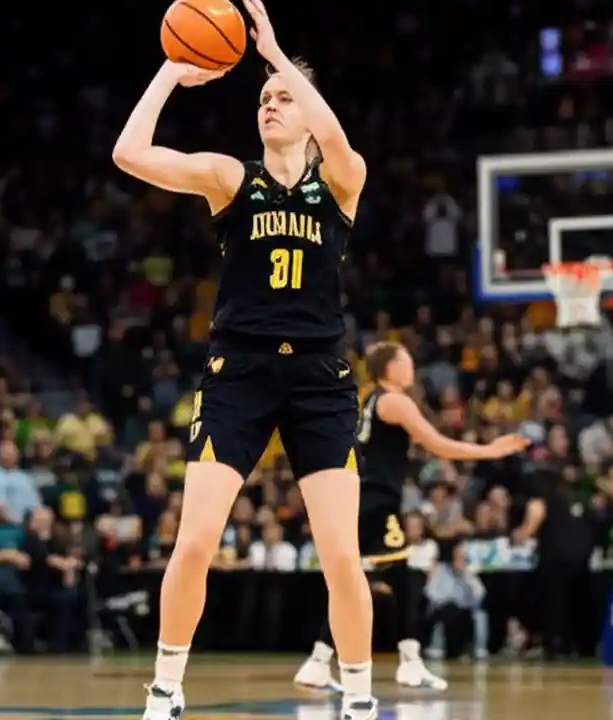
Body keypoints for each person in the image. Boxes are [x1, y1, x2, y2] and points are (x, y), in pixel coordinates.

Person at [113, 1, 378, 716]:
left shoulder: (342, 181)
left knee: (341, 557)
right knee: (195, 539)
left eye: (283, 97)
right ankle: (165, 689)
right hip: (239, 373)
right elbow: (129, 153)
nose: (270, 103)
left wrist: (278, 56)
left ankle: (357, 697)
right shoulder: (232, 179)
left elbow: (335, 134)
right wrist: (172, 70)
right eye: (263, 97)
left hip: (321, 379)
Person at [293, 341, 529, 691]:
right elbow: (436, 444)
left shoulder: (371, 402)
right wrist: (488, 450)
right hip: (374, 501)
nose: (412, 365)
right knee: (394, 580)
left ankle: (326, 661)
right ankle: (403, 661)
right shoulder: (393, 400)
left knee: (369, 582)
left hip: (362, 498)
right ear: (390, 368)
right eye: (406, 360)